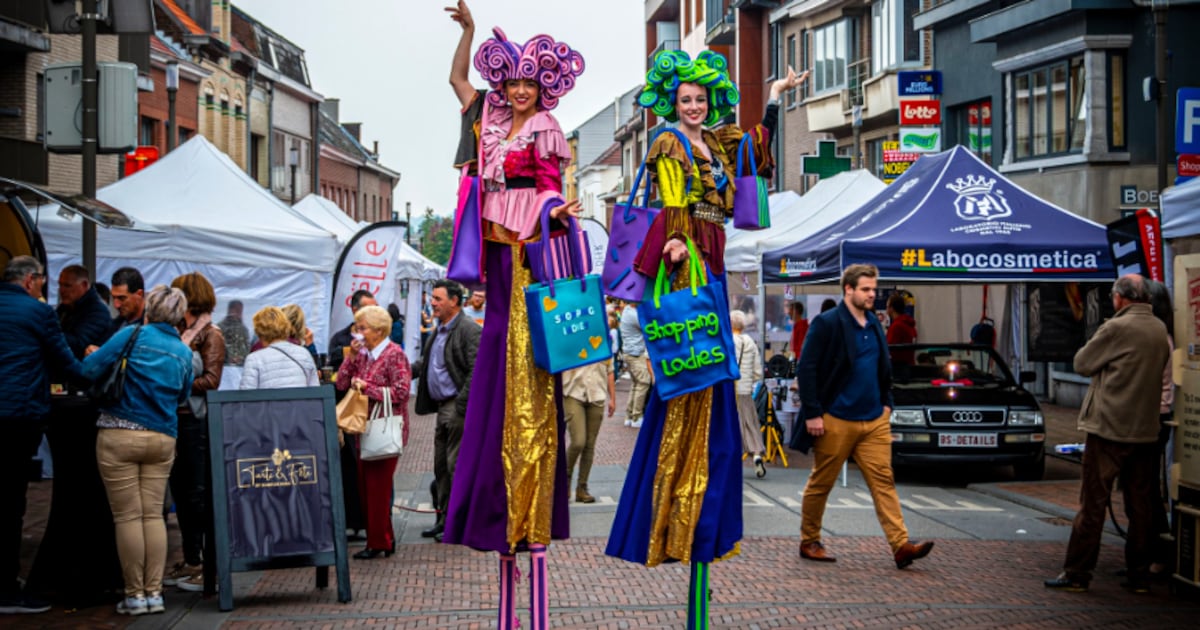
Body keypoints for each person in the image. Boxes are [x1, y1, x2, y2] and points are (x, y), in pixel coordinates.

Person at [603, 48, 805, 628]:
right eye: (684, 99)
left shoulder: (718, 141)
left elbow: (755, 158)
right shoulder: (669, 142)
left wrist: (774, 94)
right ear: (673, 103)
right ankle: (678, 466)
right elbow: (671, 197)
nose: (692, 106)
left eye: (699, 99)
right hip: (686, 246)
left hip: (712, 254)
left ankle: (706, 459)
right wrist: (672, 241)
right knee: (689, 357)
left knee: (709, 360)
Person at [442, 3, 585, 627]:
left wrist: (554, 211)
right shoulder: (487, 119)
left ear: (542, 86)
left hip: (529, 242)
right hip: (494, 241)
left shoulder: (548, 127)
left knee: (525, 335)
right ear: (505, 84)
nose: (522, 91)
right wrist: (470, 34)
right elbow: (456, 82)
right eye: (515, 82)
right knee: (500, 332)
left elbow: (553, 181)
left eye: (531, 83)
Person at [795, 264, 934, 570]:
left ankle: (901, 545)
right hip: (836, 418)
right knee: (822, 482)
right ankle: (810, 540)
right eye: (866, 289)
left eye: (873, 289)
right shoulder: (827, 323)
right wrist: (813, 413)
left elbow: (883, 366)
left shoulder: (873, 323)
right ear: (849, 289)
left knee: (883, 481)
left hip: (874, 420)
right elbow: (806, 368)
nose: (873, 294)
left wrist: (888, 403)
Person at [1045, 274, 1170, 593]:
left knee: (1093, 502)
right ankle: (1139, 574)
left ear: (1120, 298)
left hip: (1109, 426)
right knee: (1139, 503)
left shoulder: (1116, 327)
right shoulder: (1158, 329)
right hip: (1145, 428)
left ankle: (1077, 572)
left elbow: (1082, 363)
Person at [83, 285, 193, 616]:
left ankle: (135, 595)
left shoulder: (132, 335)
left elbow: (88, 370)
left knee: (128, 516)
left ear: (150, 308)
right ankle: (155, 593)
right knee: (152, 515)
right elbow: (183, 395)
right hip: (162, 437)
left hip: (120, 431)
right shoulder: (182, 351)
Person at [28, 264, 122, 607]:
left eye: (67, 285)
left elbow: (74, 351)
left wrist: (46, 328)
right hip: (65, 413)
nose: (61, 290)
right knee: (73, 493)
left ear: (83, 286)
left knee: (81, 492)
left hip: (79, 415)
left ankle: (85, 574)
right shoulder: (66, 312)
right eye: (60, 285)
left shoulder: (92, 314)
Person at [0, 256, 83, 615]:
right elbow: (66, 362)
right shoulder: (38, 313)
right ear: (31, 280)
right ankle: (6, 589)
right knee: (10, 504)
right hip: (17, 416)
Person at [164, 272, 225, 593]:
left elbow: (212, 380)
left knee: (196, 493)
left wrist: (175, 384)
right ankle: (190, 559)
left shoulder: (210, 335)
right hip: (175, 419)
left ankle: (203, 563)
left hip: (195, 422)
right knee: (181, 493)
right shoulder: (178, 332)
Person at [336, 305, 411, 559]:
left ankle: (378, 542)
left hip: (384, 426)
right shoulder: (365, 355)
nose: (358, 334)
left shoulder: (394, 354)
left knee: (377, 488)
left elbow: (401, 392)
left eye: (363, 328)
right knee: (367, 487)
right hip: (364, 427)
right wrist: (352, 358)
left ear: (378, 331)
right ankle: (382, 539)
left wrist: (367, 387)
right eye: (357, 328)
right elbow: (341, 382)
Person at [413, 280, 481, 541]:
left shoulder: (468, 329)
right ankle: (443, 519)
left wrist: (462, 405)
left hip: (455, 406)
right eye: (433, 298)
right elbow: (426, 363)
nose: (433, 302)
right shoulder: (439, 329)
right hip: (443, 407)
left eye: (438, 298)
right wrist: (401, 371)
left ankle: (458, 523)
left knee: (455, 467)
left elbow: (477, 370)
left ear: (454, 301)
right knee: (441, 467)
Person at [1146, 279, 1175, 577]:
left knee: (1147, 488)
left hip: (1155, 417)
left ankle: (1159, 553)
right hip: (1156, 415)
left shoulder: (1159, 338)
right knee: (1145, 487)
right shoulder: (1162, 335)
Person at [562, 358, 616, 504]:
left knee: (589, 445)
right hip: (573, 393)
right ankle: (565, 480)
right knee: (578, 441)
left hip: (597, 394)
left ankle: (582, 487)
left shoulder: (604, 342)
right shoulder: (573, 338)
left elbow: (610, 371)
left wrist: (613, 398)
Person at [239, 306, 319, 389]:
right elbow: (315, 391)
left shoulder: (253, 359)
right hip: (299, 401)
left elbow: (247, 396)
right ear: (286, 327)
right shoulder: (304, 354)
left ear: (259, 333)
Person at [732, 310, 766, 479]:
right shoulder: (750, 342)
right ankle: (757, 454)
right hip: (745, 390)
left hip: (730, 391)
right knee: (750, 424)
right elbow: (758, 372)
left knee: (733, 426)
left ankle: (733, 459)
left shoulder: (727, 341)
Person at [618, 301, 651, 428]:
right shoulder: (633, 314)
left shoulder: (627, 311)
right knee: (644, 382)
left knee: (636, 384)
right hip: (635, 354)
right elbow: (647, 326)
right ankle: (637, 416)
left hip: (630, 352)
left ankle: (629, 416)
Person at [329, 289, 377, 373]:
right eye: (369, 310)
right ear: (355, 311)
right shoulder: (339, 338)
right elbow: (333, 367)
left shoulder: (381, 336)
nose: (375, 313)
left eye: (376, 309)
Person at [110, 267, 145, 332]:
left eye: (122, 298)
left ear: (139, 294)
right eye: (113, 298)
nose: (116, 305)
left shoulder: (153, 326)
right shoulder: (114, 326)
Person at [886, 293, 917, 365]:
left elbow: (890, 349)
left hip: (898, 367)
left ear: (892, 308)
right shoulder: (909, 324)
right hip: (909, 365)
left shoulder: (896, 327)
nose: (886, 309)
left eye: (887, 306)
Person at [217, 300, 251, 366]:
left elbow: (247, 347)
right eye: (236, 310)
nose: (238, 313)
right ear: (230, 310)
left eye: (240, 311)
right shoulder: (219, 328)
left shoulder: (243, 329)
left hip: (240, 367)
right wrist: (228, 358)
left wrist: (241, 358)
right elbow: (216, 348)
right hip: (223, 366)